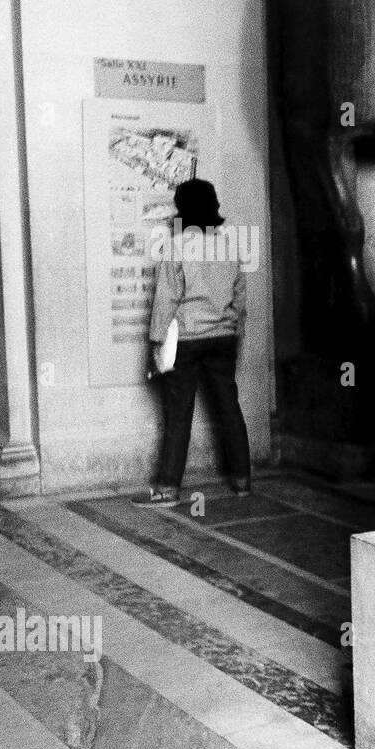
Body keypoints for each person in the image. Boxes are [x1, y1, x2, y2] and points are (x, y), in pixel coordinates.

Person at [132, 179, 252, 508]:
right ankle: (243, 479)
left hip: (186, 339)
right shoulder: (229, 245)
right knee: (229, 406)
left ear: (183, 209)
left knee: (178, 412)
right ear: (213, 206)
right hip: (224, 338)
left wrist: (155, 344)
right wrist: (235, 330)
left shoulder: (175, 246)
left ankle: (168, 489)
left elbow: (165, 301)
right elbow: (241, 299)